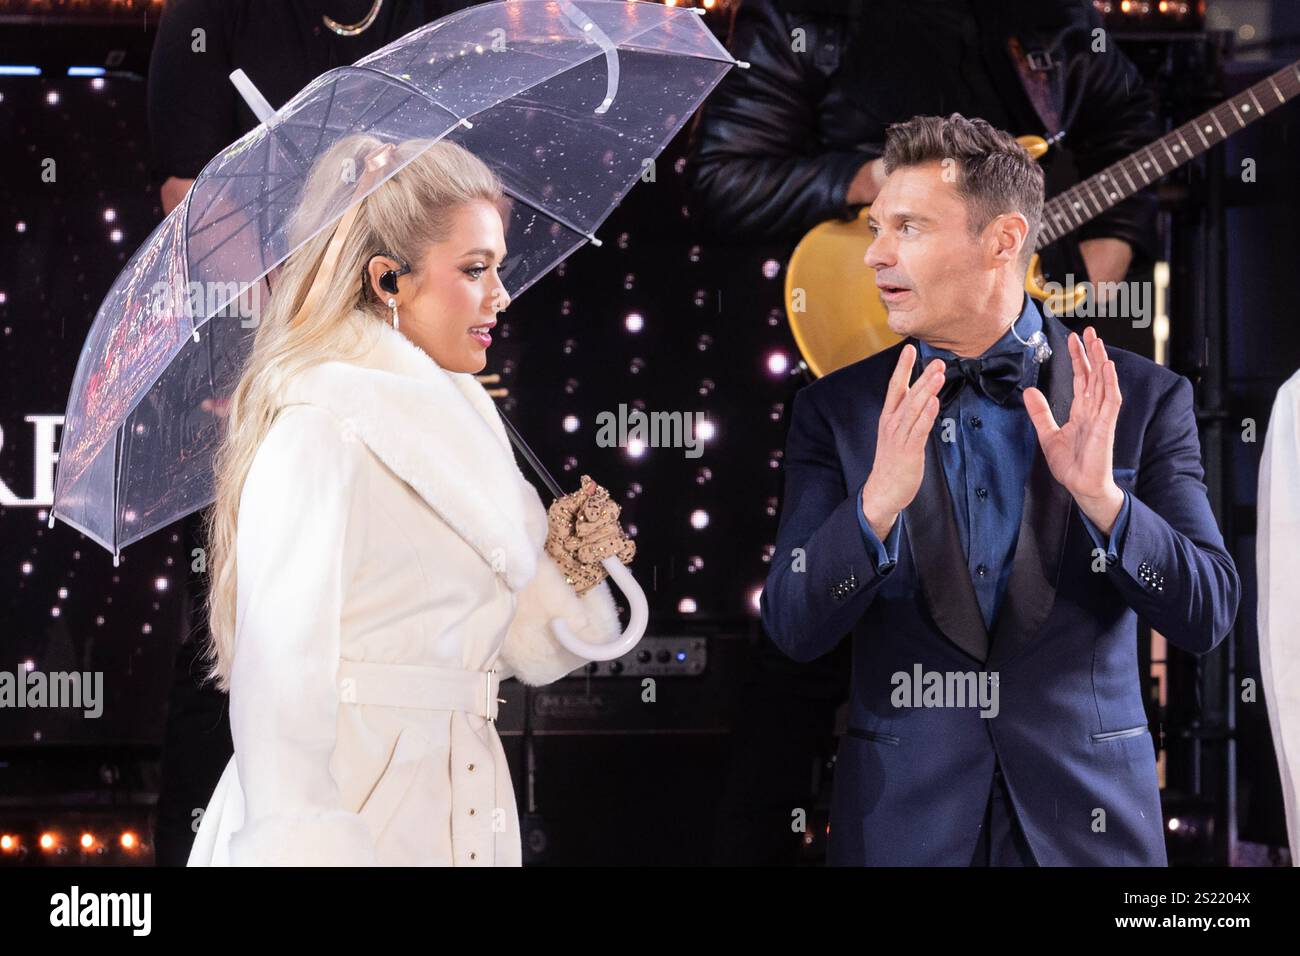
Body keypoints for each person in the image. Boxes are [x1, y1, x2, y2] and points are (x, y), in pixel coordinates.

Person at [760, 113, 1240, 866]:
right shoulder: (840, 410)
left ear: (1004, 240)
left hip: (1090, 831)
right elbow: (792, 625)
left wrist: (1105, 506)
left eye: (909, 228)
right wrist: (875, 506)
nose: (876, 255)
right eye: (877, 228)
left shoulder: (1144, 398)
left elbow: (1205, 614)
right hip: (900, 831)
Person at [186, 134, 634, 866]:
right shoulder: (317, 433)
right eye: (474, 269)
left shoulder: (469, 424)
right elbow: (279, 694)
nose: (501, 295)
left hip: (464, 807)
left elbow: (533, 644)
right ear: (388, 280)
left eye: (498, 267)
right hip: (353, 805)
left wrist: (577, 563)